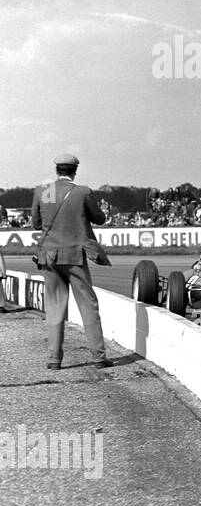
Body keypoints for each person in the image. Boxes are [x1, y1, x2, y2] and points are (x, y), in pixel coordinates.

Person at [30, 153, 109, 369]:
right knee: (88, 305)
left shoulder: (41, 191)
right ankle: (98, 356)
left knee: (54, 307)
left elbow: (35, 224)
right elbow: (100, 219)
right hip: (74, 255)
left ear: (57, 169)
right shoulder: (82, 192)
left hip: (49, 256)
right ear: (75, 170)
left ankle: (54, 359)